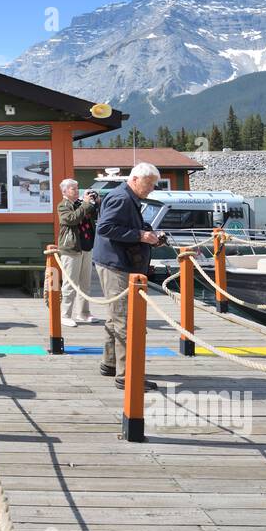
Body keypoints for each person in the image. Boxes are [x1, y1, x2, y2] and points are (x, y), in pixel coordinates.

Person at [93, 163, 163, 390]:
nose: (152, 188)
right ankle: (127, 376)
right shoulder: (122, 198)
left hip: (115, 262)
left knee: (116, 317)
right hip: (117, 266)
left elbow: (117, 226)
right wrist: (141, 235)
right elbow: (105, 228)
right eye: (149, 184)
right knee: (125, 320)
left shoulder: (124, 197)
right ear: (135, 179)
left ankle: (110, 363)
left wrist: (146, 231)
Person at [56, 178, 101, 327]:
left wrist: (96, 203)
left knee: (85, 284)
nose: (77, 191)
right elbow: (71, 219)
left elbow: (94, 217)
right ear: (64, 191)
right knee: (70, 284)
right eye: (73, 189)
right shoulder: (63, 206)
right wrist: (86, 204)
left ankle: (84, 313)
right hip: (71, 248)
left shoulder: (81, 204)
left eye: (77, 188)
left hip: (86, 247)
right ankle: (65, 315)